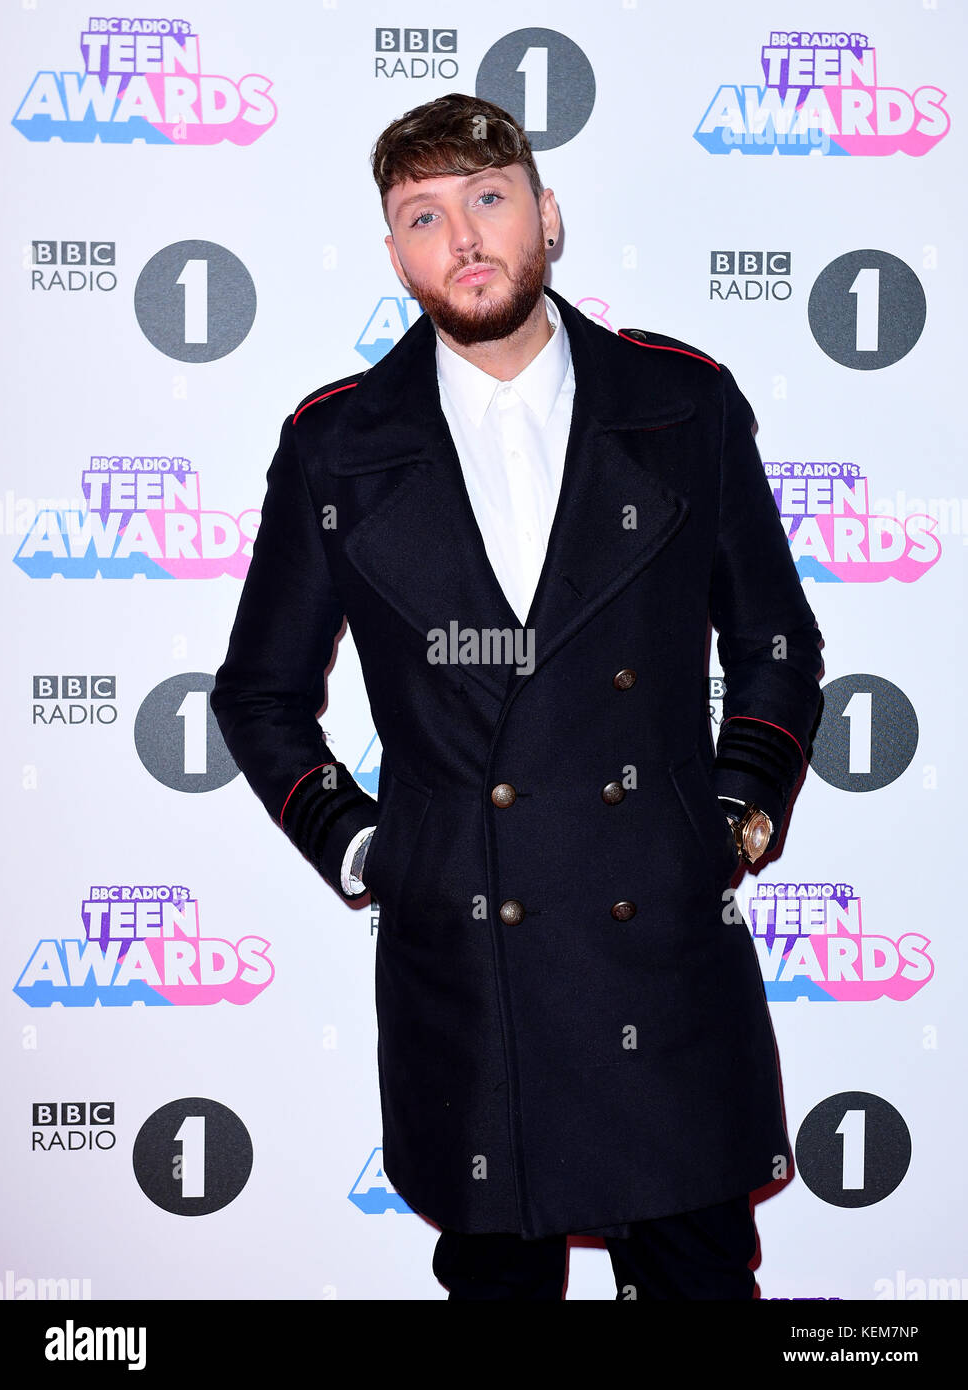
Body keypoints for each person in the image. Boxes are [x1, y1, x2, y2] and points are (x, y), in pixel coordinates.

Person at [210, 93, 824, 1300]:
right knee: (497, 1286)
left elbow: (776, 644)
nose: (464, 236)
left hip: (655, 944)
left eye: (488, 199)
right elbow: (259, 694)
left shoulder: (680, 403)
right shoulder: (337, 446)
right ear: (395, 255)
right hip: (469, 962)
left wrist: (738, 815)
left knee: (699, 1277)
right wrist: (368, 850)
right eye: (423, 215)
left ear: (547, 215)